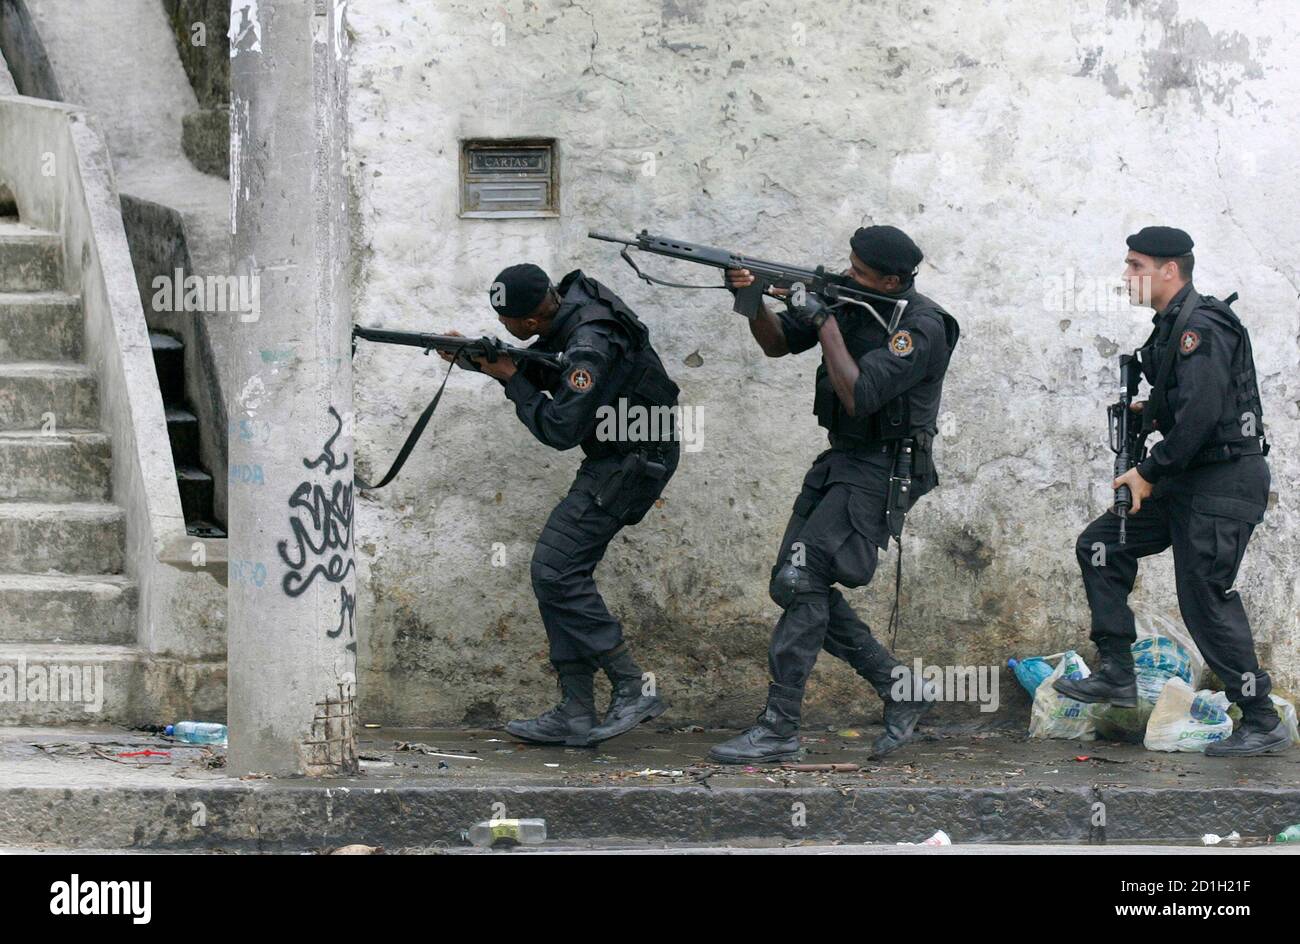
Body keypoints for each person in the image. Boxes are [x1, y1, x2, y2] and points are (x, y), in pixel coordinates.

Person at [708, 226, 960, 764]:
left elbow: (861, 396)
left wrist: (823, 321)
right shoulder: (851, 300)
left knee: (804, 579)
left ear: (892, 281)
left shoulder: (921, 327)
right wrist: (751, 299)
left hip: (885, 467)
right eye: (849, 265)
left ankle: (779, 727)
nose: (848, 275)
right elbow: (777, 343)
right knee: (791, 581)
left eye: (861, 272)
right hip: (843, 460)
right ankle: (900, 688)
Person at [1055, 226, 1289, 756]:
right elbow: (1192, 405)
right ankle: (1117, 671)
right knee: (1102, 544)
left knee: (1204, 598)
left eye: (1135, 266)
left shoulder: (1200, 326)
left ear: (1169, 270)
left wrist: (1148, 472)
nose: (1126, 276)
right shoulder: (1170, 328)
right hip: (1189, 477)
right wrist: (1151, 412)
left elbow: (1203, 415)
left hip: (1223, 479)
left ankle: (1262, 719)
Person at [443, 263, 680, 747]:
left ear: (532, 320)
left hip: (634, 461)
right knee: (556, 573)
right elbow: (547, 365)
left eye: (509, 323)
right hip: (618, 455)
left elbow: (560, 428)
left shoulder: (590, 343)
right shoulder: (570, 311)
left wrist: (510, 377)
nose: (506, 327)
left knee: (555, 571)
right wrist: (478, 358)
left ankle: (632, 686)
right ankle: (575, 710)